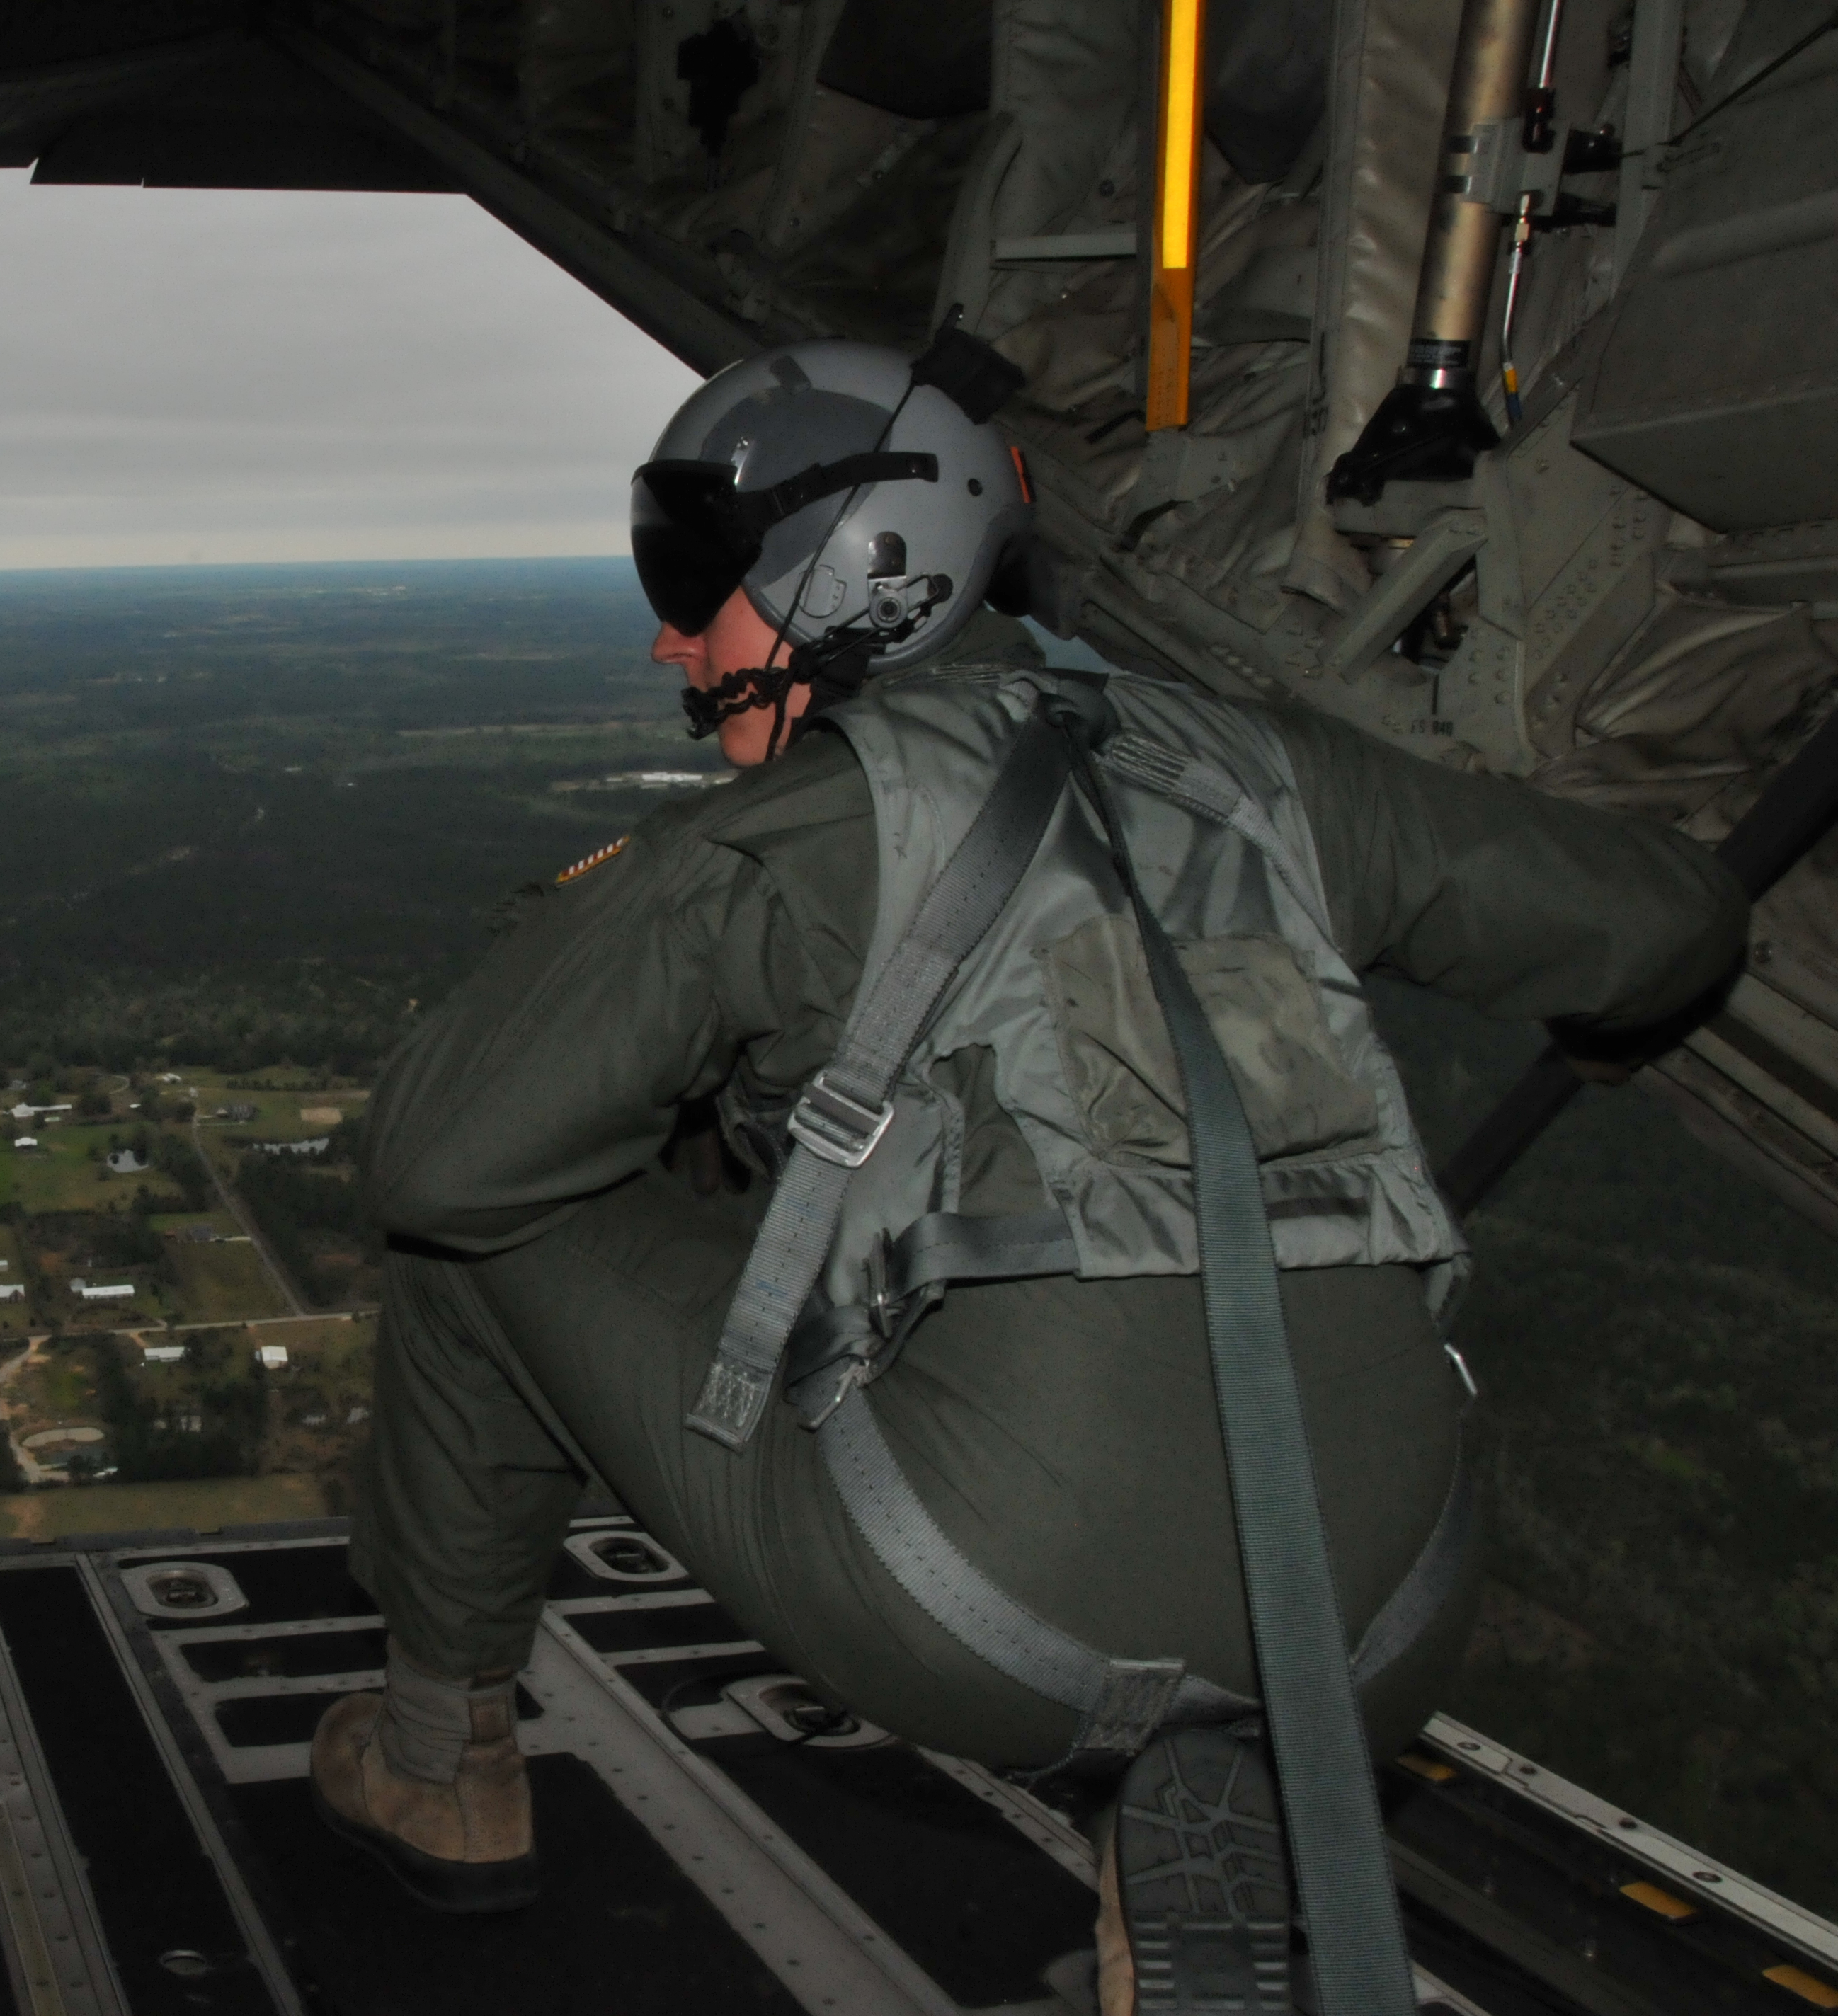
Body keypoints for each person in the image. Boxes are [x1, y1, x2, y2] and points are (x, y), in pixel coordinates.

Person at [312, 336, 1747, 2013]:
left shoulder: (786, 842)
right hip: (1372, 1611)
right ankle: (1200, 1824)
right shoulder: (1268, 770)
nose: (667, 632)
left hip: (972, 1601)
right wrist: (1601, 1032)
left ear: (842, 585)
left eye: (694, 582)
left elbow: (433, 1154)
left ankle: (439, 1761)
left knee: (473, 1232)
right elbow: (1669, 926)